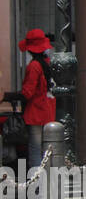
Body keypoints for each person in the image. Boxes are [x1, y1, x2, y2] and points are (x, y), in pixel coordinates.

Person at [18, 28, 56, 173]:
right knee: (46, 150)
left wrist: (10, 96)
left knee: (35, 150)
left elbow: (27, 92)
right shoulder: (47, 63)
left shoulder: (34, 66)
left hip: (35, 113)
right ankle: (45, 183)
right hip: (47, 110)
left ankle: (37, 185)